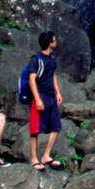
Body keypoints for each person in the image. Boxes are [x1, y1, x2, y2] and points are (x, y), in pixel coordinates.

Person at [29, 30, 63, 170]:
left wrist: (58, 92)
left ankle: (46, 156)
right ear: (50, 43)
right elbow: (31, 79)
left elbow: (52, 75)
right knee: (35, 130)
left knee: (56, 126)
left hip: (51, 96)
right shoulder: (36, 59)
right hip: (40, 95)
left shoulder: (52, 59)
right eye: (54, 40)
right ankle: (33, 159)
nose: (56, 42)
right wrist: (37, 99)